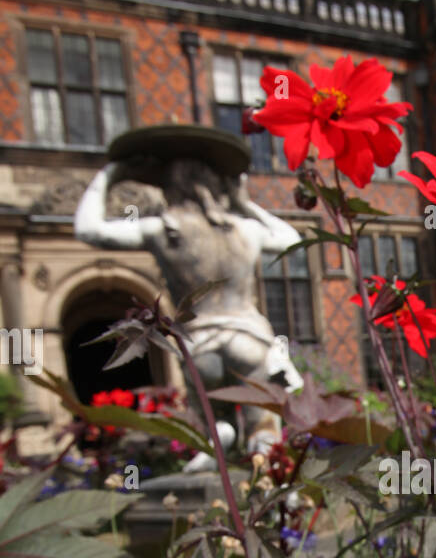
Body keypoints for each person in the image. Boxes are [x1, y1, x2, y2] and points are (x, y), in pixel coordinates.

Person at [75, 156, 304, 455]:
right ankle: (264, 470)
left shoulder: (163, 228)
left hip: (200, 343)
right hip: (249, 339)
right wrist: (244, 204)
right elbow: (293, 239)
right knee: (263, 429)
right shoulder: (244, 228)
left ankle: (219, 438)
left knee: (216, 428)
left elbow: (89, 230)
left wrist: (108, 174)